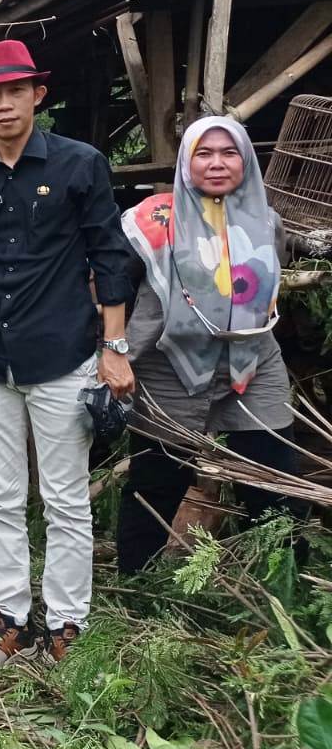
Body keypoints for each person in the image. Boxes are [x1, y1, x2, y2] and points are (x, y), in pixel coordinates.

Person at [0, 39, 136, 667]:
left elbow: (110, 254)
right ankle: (8, 617)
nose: (2, 105)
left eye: (13, 91)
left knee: (65, 495)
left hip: (65, 354)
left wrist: (116, 346)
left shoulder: (79, 164)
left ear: (36, 95)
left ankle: (67, 621)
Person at [117, 116, 302, 573]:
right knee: (156, 480)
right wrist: (112, 349)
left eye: (228, 153)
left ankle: (283, 580)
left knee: (273, 475)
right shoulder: (149, 221)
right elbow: (113, 287)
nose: (216, 164)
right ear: (186, 162)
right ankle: (136, 582)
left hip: (252, 362)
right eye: (204, 153)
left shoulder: (266, 221)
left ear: (246, 161)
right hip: (170, 366)